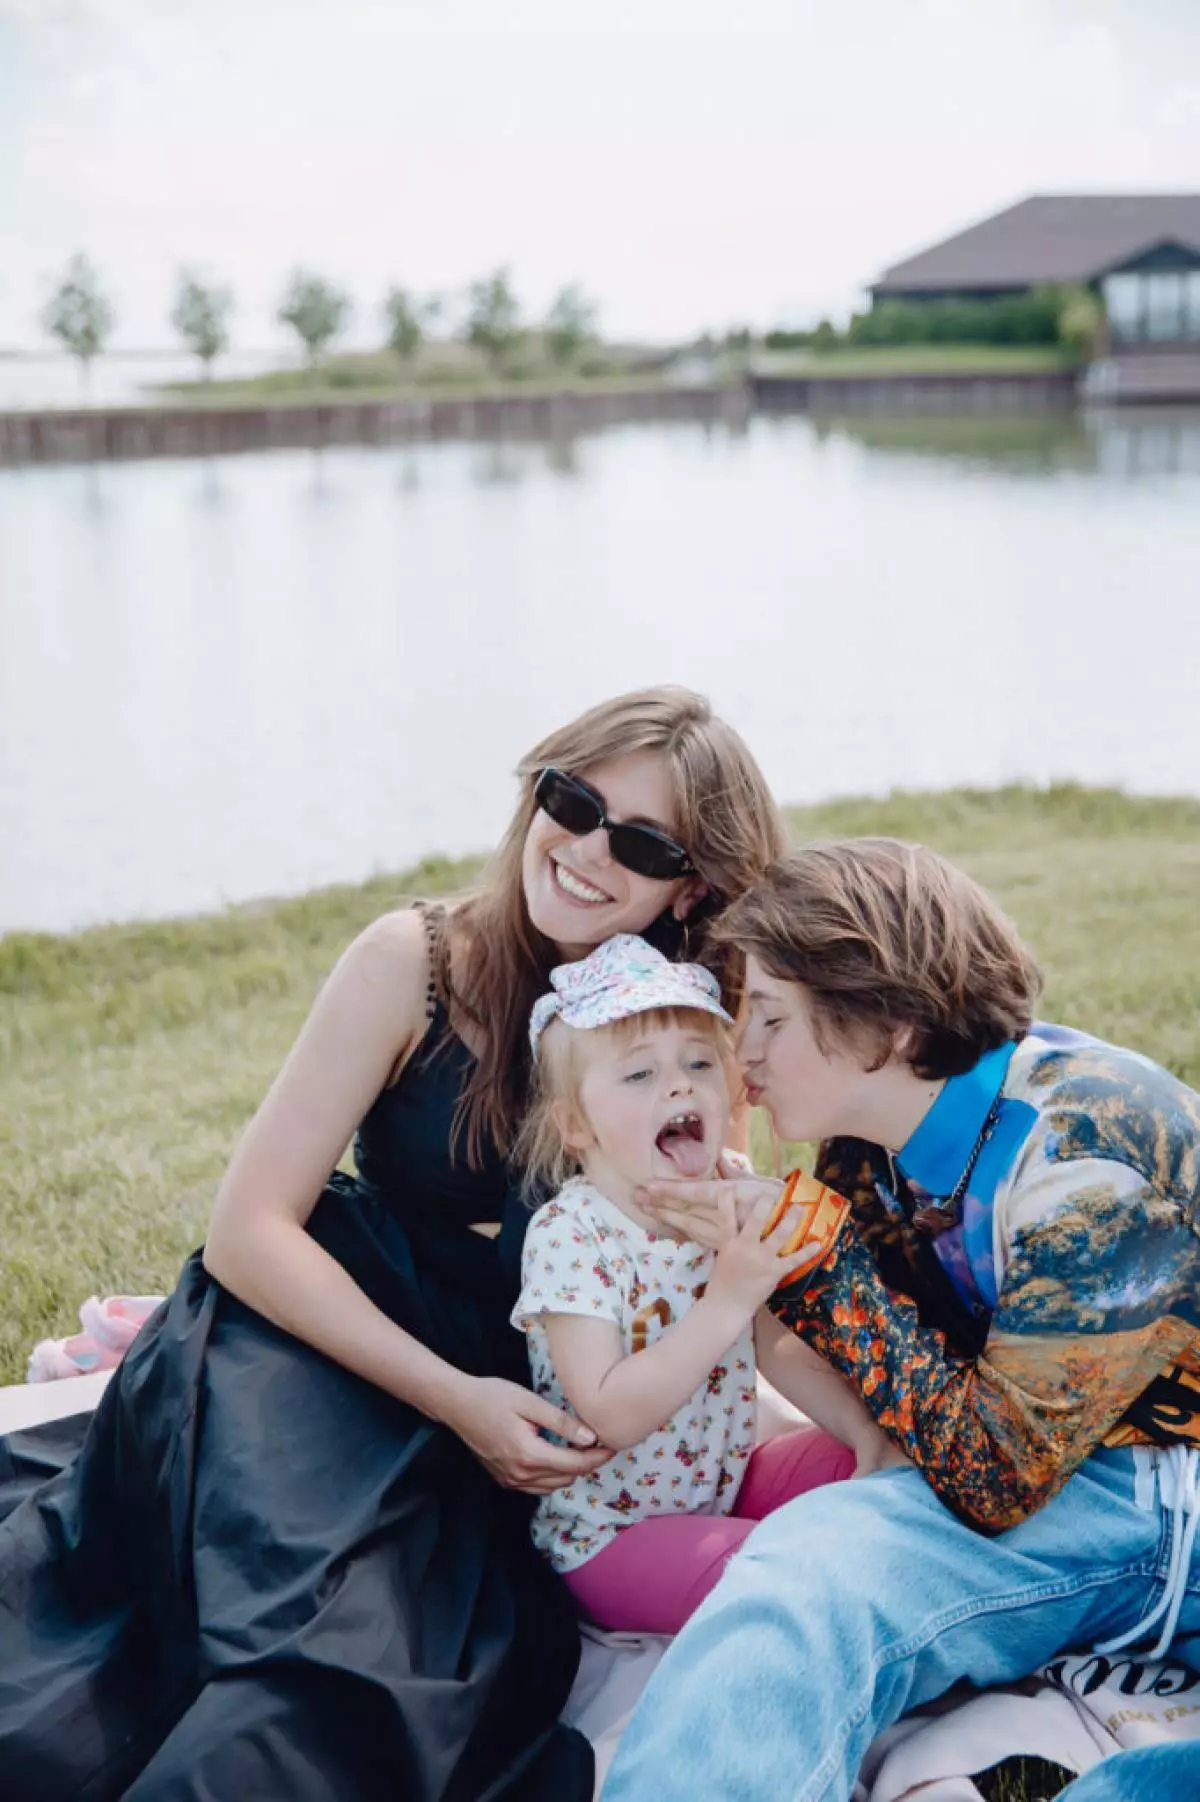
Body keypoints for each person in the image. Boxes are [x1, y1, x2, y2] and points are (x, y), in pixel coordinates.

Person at [0, 686, 786, 1802]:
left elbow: (710, 1260)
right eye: (573, 798)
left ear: (689, 882)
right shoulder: (412, 957)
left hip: (523, 1376)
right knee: (295, 1635)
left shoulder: (682, 1031)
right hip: (326, 1330)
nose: (586, 850)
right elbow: (246, 1229)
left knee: (441, 1662)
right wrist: (455, 1399)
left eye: (642, 840)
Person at [603, 837, 1200, 1802]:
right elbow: (899, 1364)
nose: (741, 1062)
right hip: (1086, 1484)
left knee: (817, 1561)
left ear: (883, 1025)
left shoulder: (1090, 1162)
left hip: (1163, 1492)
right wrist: (774, 1243)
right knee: (800, 1565)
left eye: (769, 1018)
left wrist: (811, 1254)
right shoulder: (870, 1143)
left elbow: (990, 1478)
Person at [511, 933, 900, 1637]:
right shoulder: (572, 1235)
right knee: (786, 1580)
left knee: (887, 1468)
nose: (679, 1084)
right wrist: (729, 1294)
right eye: (638, 1076)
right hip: (613, 1538)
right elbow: (609, 1414)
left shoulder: (721, 1187)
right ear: (575, 1125)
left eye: (697, 1062)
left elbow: (776, 1349)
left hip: (723, 1483)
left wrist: (863, 1438)